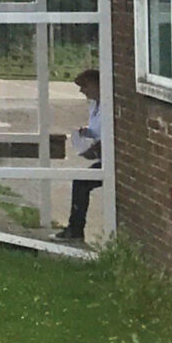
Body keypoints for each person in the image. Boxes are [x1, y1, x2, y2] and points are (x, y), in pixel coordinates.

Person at [55, 68, 103, 242]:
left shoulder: (108, 105)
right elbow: (97, 130)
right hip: (100, 154)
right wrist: (86, 134)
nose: (82, 91)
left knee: (81, 183)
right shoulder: (94, 105)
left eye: (85, 86)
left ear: (97, 85)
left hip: (111, 159)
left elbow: (110, 135)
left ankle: (75, 229)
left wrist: (97, 148)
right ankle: (74, 228)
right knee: (81, 182)